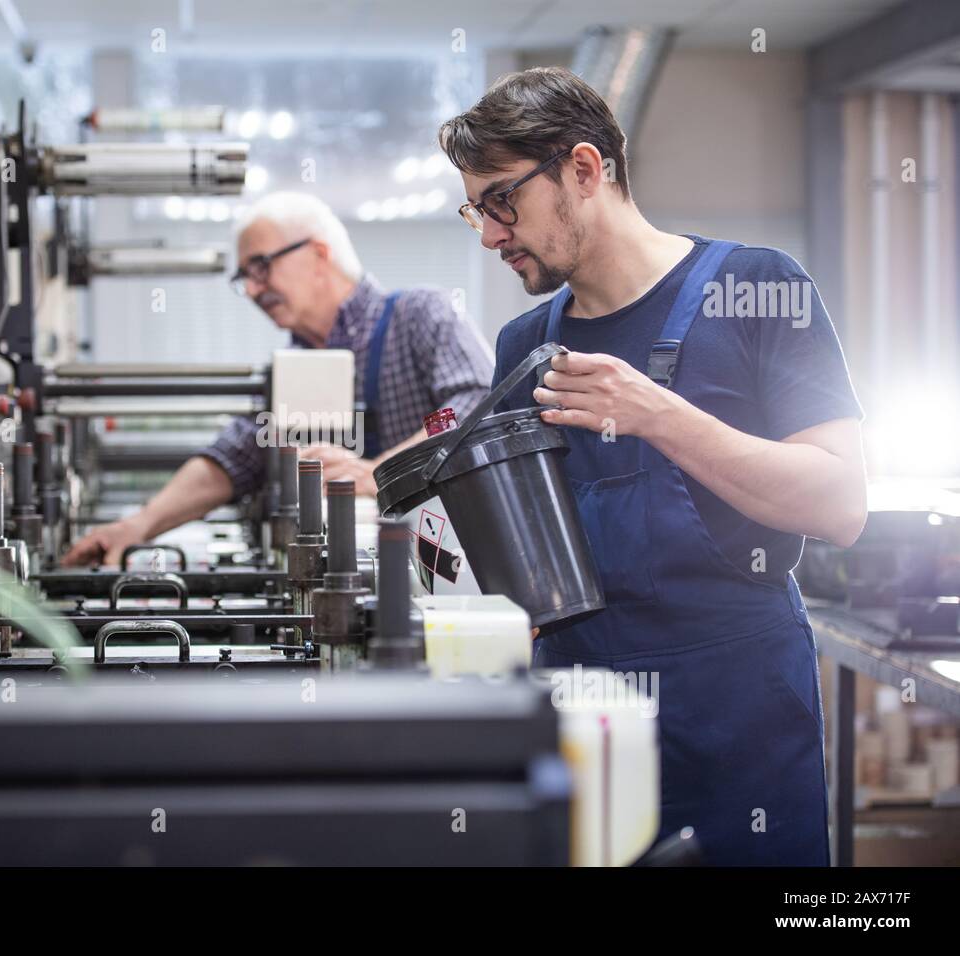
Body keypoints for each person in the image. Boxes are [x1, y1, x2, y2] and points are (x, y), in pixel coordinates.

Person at [439, 67, 867, 865]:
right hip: (581, 722)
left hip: (738, 724)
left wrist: (658, 416)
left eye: (503, 200)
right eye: (477, 211)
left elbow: (840, 502)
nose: (491, 234)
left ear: (585, 169)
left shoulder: (757, 287)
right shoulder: (523, 349)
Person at [63, 191, 494, 568]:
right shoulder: (293, 368)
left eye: (261, 267)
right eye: (244, 277)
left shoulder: (422, 315)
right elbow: (234, 459)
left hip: (454, 571)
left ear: (319, 255)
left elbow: (471, 405)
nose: (251, 290)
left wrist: (375, 474)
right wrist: (139, 525)